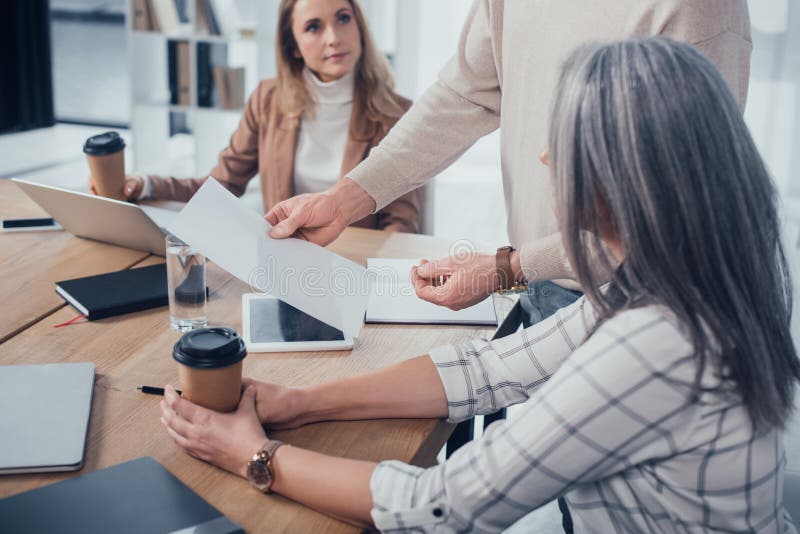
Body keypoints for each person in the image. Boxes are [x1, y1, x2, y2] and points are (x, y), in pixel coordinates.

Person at [160, 38, 799, 532]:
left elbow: (442, 507)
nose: (544, 157)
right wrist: (300, 403)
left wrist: (254, 455)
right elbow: (491, 369)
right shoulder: (677, 278)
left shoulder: (656, 343)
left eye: (563, 140)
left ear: (624, 178)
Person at [262, 0, 751, 326]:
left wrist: (509, 268)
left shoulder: (700, 10)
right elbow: (465, 93)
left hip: (637, 301)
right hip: (537, 284)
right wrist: (343, 200)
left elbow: (674, 208)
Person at [90, 0, 420, 233]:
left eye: (343, 18)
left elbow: (401, 225)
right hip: (286, 261)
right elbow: (220, 188)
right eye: (313, 27)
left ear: (360, 28)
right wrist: (146, 184)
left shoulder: (397, 114)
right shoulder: (268, 99)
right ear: (294, 47)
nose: (333, 37)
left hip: (357, 265)